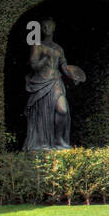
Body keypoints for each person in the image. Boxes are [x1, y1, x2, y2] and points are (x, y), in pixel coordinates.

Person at [24, 18, 85, 151]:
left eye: (49, 26)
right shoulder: (37, 45)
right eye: (44, 26)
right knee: (43, 113)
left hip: (56, 82)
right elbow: (34, 65)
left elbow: (64, 67)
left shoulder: (58, 48)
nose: (46, 29)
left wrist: (73, 75)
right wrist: (44, 59)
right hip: (41, 82)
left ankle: (60, 141)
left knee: (62, 110)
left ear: (53, 28)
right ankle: (42, 143)